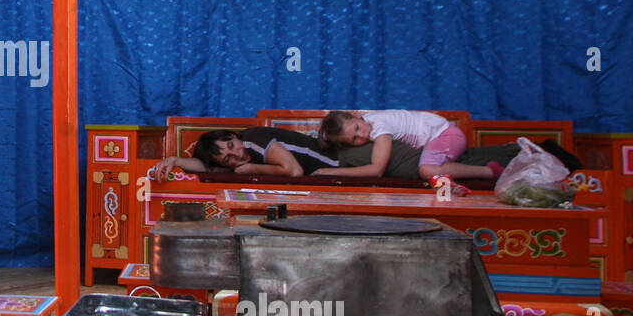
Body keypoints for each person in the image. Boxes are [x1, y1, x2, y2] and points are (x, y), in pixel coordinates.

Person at [314, 109, 500, 181]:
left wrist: (330, 172)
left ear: (356, 115)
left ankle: (490, 172)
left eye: (357, 128)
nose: (362, 135)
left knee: (427, 170)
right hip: (438, 138)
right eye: (354, 139)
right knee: (431, 169)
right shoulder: (368, 122)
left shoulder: (380, 128)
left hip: (446, 135)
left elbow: (376, 170)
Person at [154, 126, 339, 179]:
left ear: (235, 136)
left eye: (231, 145)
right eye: (228, 158)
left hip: (343, 161)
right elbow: (206, 167)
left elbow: (294, 171)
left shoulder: (252, 140)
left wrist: (253, 169)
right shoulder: (236, 161)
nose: (238, 154)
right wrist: (174, 160)